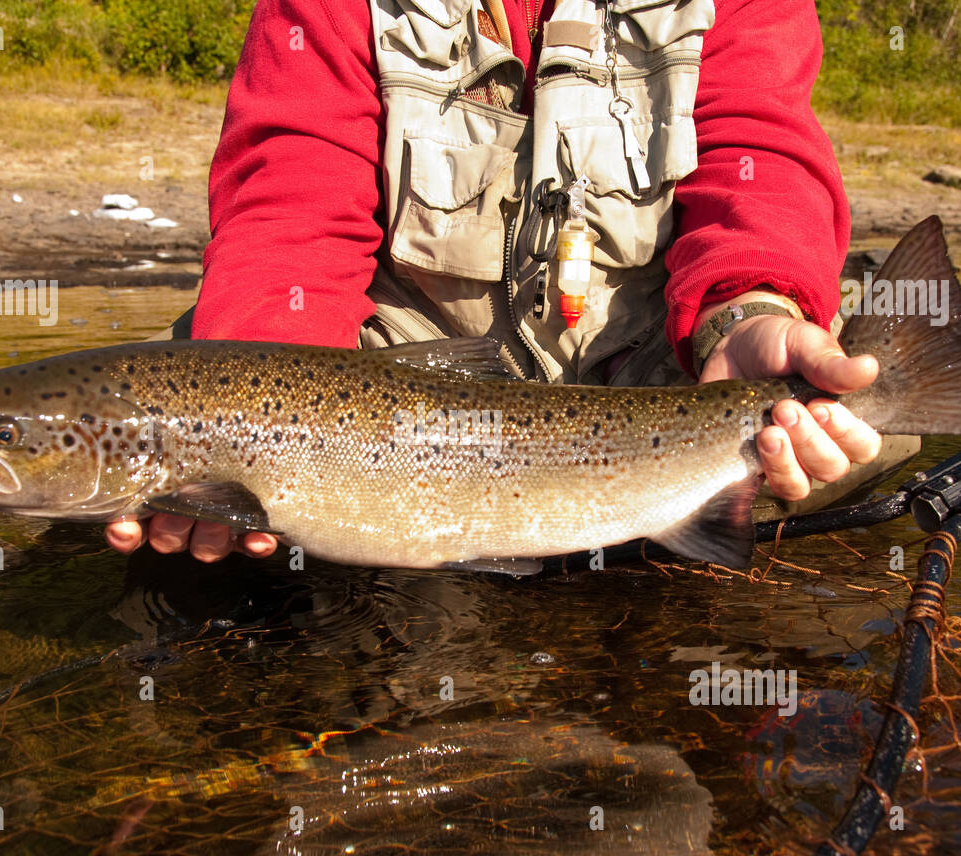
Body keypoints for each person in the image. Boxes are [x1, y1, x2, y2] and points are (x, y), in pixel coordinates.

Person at [107, 0, 889, 564]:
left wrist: (751, 310)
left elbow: (756, 159)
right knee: (164, 410)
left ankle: (704, 501)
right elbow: (291, 209)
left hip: (661, 377)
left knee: (862, 404)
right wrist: (251, 431)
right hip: (408, 394)